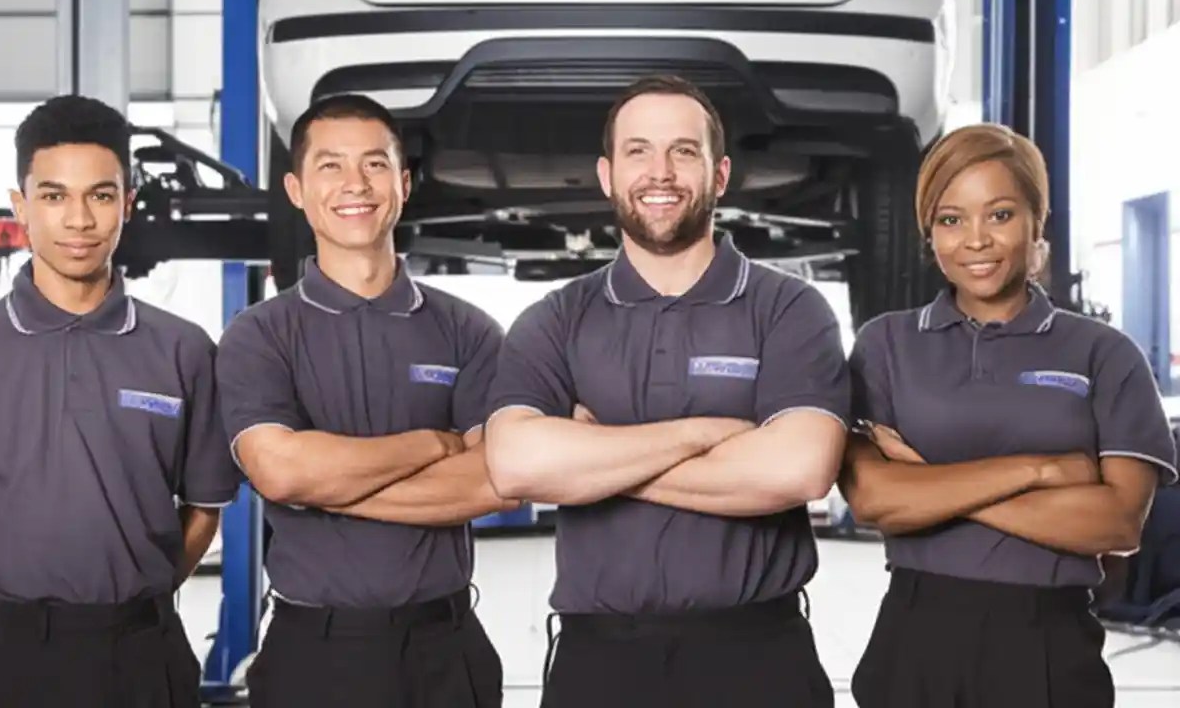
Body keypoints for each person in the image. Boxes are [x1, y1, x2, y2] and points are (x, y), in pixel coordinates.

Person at [486, 75, 848, 707]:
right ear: (606, 175)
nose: (661, 172)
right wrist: (705, 434)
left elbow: (802, 469)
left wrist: (594, 457)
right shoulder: (557, 318)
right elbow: (514, 464)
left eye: (684, 151)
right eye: (638, 151)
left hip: (759, 657)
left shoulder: (788, 307)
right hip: (598, 665)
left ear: (721, 173)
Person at [0, 95, 239, 707]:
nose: (78, 220)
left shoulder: (184, 351)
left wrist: (140, 602)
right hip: (18, 659)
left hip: (146, 655)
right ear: (20, 207)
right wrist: (9, 617)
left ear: (127, 204)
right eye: (54, 196)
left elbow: (204, 508)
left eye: (101, 195)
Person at [842, 123, 1178, 708]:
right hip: (914, 638)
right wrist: (1042, 470)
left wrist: (929, 481)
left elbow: (1118, 523)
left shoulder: (1103, 353)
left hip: (1047, 644)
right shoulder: (886, 345)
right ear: (930, 233)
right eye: (951, 219)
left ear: (1036, 221)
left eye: (999, 215)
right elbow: (875, 501)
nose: (976, 240)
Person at [216, 94, 514, 708]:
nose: (355, 184)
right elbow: (281, 470)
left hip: (446, 650)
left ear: (402, 184)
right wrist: (435, 445)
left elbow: (496, 482)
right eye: (331, 166)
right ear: (296, 189)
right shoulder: (259, 334)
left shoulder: (469, 331)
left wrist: (329, 486)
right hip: (315, 653)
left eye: (375, 164)